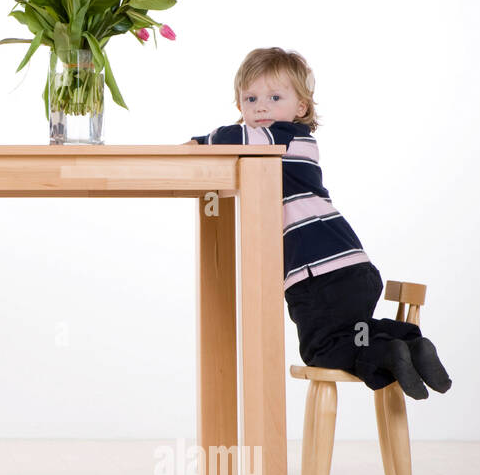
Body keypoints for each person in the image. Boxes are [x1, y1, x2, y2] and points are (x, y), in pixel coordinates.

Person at [185, 47, 451, 400]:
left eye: (274, 97)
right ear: (240, 106)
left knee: (321, 351)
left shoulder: (287, 137)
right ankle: (406, 341)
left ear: (301, 107)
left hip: (317, 275)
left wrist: (199, 143)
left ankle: (389, 352)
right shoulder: (281, 145)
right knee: (353, 334)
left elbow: (234, 137)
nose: (261, 106)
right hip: (351, 268)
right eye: (250, 98)